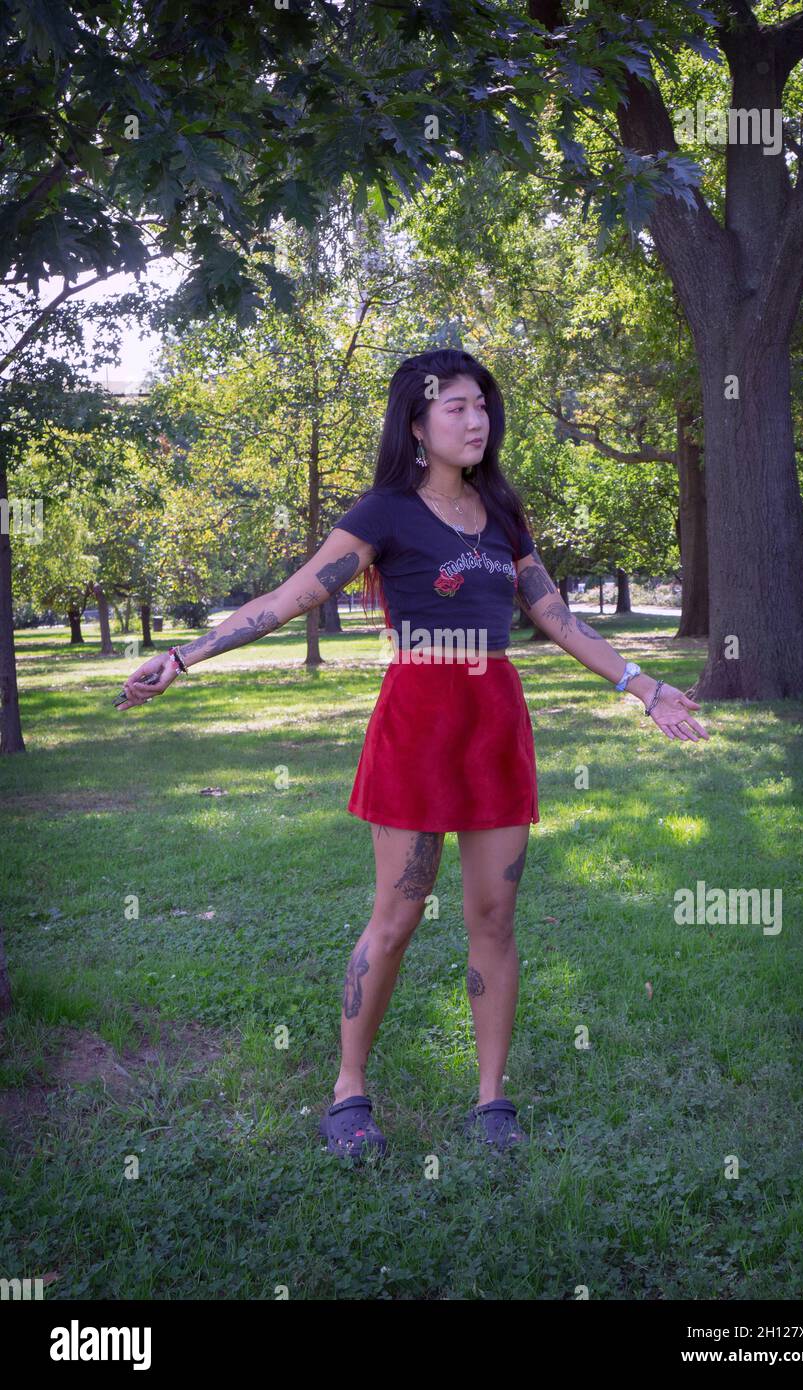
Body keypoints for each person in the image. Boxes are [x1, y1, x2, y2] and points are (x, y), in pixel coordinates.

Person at [118, 348, 709, 1162]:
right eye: (459, 407)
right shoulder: (385, 513)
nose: (478, 421)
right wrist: (182, 658)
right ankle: (348, 1089)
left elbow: (555, 617)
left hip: (494, 724)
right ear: (418, 424)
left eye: (484, 406)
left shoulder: (502, 509)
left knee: (494, 919)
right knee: (396, 918)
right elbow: (289, 598)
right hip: (418, 726)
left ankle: (491, 1099)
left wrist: (643, 687)